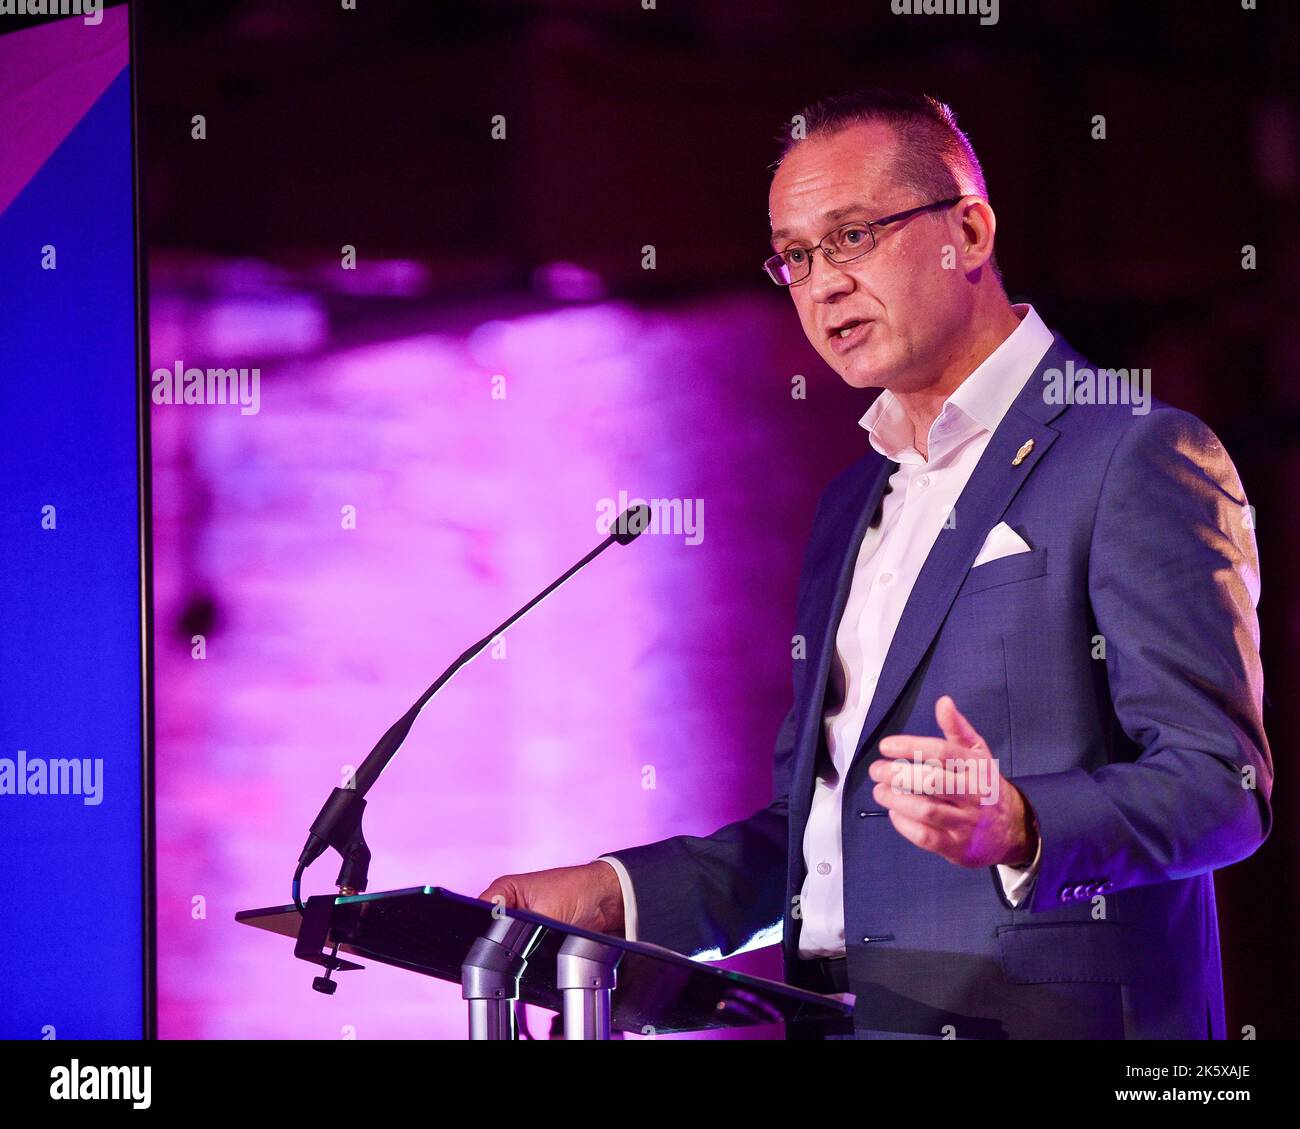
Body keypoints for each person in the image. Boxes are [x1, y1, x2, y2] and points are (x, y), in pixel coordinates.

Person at [478, 90, 1272, 1040]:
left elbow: (1219, 788)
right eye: (796, 256)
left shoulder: (1131, 454)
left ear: (969, 230)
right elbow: (812, 838)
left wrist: (1023, 821)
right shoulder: (853, 506)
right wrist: (617, 897)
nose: (821, 284)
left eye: (852, 236)